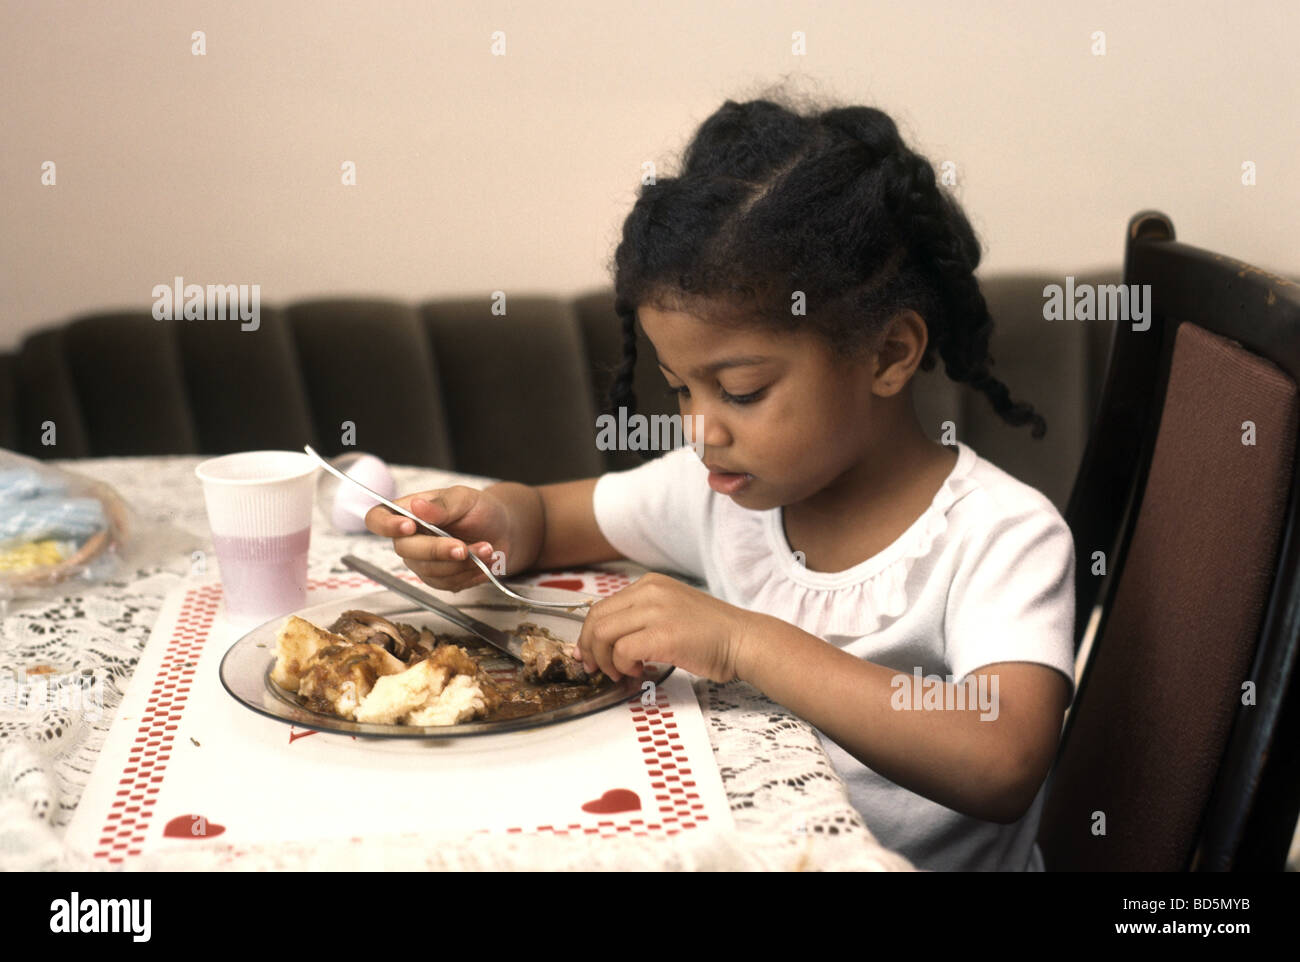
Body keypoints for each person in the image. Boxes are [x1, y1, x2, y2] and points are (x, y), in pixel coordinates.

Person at [366, 96, 1076, 871]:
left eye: (739, 391)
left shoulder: (1000, 534)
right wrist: (483, 525)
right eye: (679, 390)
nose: (700, 430)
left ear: (887, 354)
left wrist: (744, 641)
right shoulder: (723, 493)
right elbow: (544, 518)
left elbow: (1003, 758)